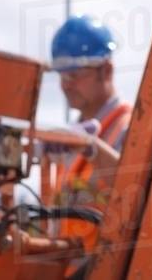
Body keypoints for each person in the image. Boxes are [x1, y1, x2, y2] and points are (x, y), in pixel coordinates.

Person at [47, 14, 133, 252]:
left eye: (74, 74)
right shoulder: (70, 138)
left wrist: (92, 147)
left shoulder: (130, 128)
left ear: (106, 71)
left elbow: (139, 187)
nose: (65, 84)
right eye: (62, 75)